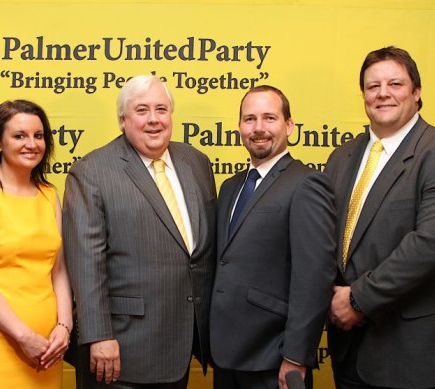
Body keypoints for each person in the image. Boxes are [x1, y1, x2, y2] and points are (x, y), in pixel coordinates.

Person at [63, 75, 216, 388]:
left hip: (182, 341)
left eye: (161, 109)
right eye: (142, 110)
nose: (153, 120)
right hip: (121, 347)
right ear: (123, 120)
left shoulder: (196, 162)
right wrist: (99, 335)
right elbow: (86, 264)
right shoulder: (92, 171)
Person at [210, 85, 336, 389]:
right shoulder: (230, 187)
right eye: (250, 119)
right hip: (227, 357)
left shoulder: (307, 183)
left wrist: (296, 356)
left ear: (289, 126)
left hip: (274, 357)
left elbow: (314, 277)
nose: (258, 128)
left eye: (269, 118)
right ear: (240, 126)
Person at [326, 46, 435, 389]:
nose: (383, 94)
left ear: (417, 92)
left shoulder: (431, 151)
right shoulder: (342, 157)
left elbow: (428, 243)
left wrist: (357, 299)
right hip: (346, 348)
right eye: (373, 86)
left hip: (406, 351)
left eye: (395, 84)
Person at [0, 99, 72, 388]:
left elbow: (59, 271)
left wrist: (64, 327)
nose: (32, 144)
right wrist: (23, 336)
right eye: (19, 136)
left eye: (38, 136)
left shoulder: (49, 195)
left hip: (46, 348)